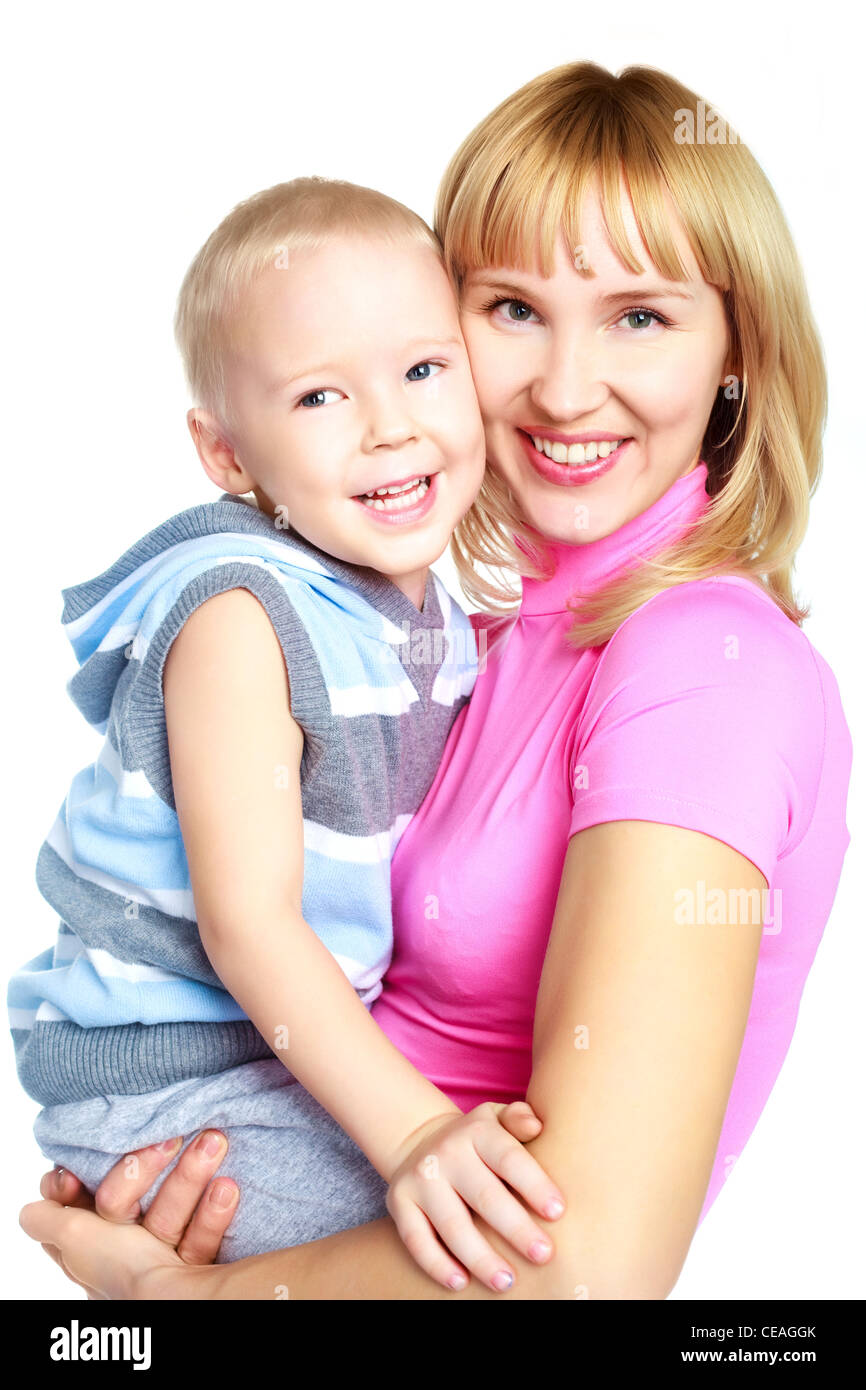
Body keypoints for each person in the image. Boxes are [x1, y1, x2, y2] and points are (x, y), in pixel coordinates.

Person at [20, 59, 852, 1301]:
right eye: (511, 308)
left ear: (739, 350)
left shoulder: (702, 669)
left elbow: (581, 1275)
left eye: (640, 315)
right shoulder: (481, 634)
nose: (566, 388)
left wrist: (173, 1300)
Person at [8, 176, 569, 1292]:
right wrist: (412, 1136)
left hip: (278, 1058)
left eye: (422, 369)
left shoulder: (435, 620)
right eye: (320, 397)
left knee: (512, 1206)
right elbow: (249, 926)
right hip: (171, 1078)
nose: (391, 424)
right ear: (225, 455)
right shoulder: (239, 613)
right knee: (477, 1255)